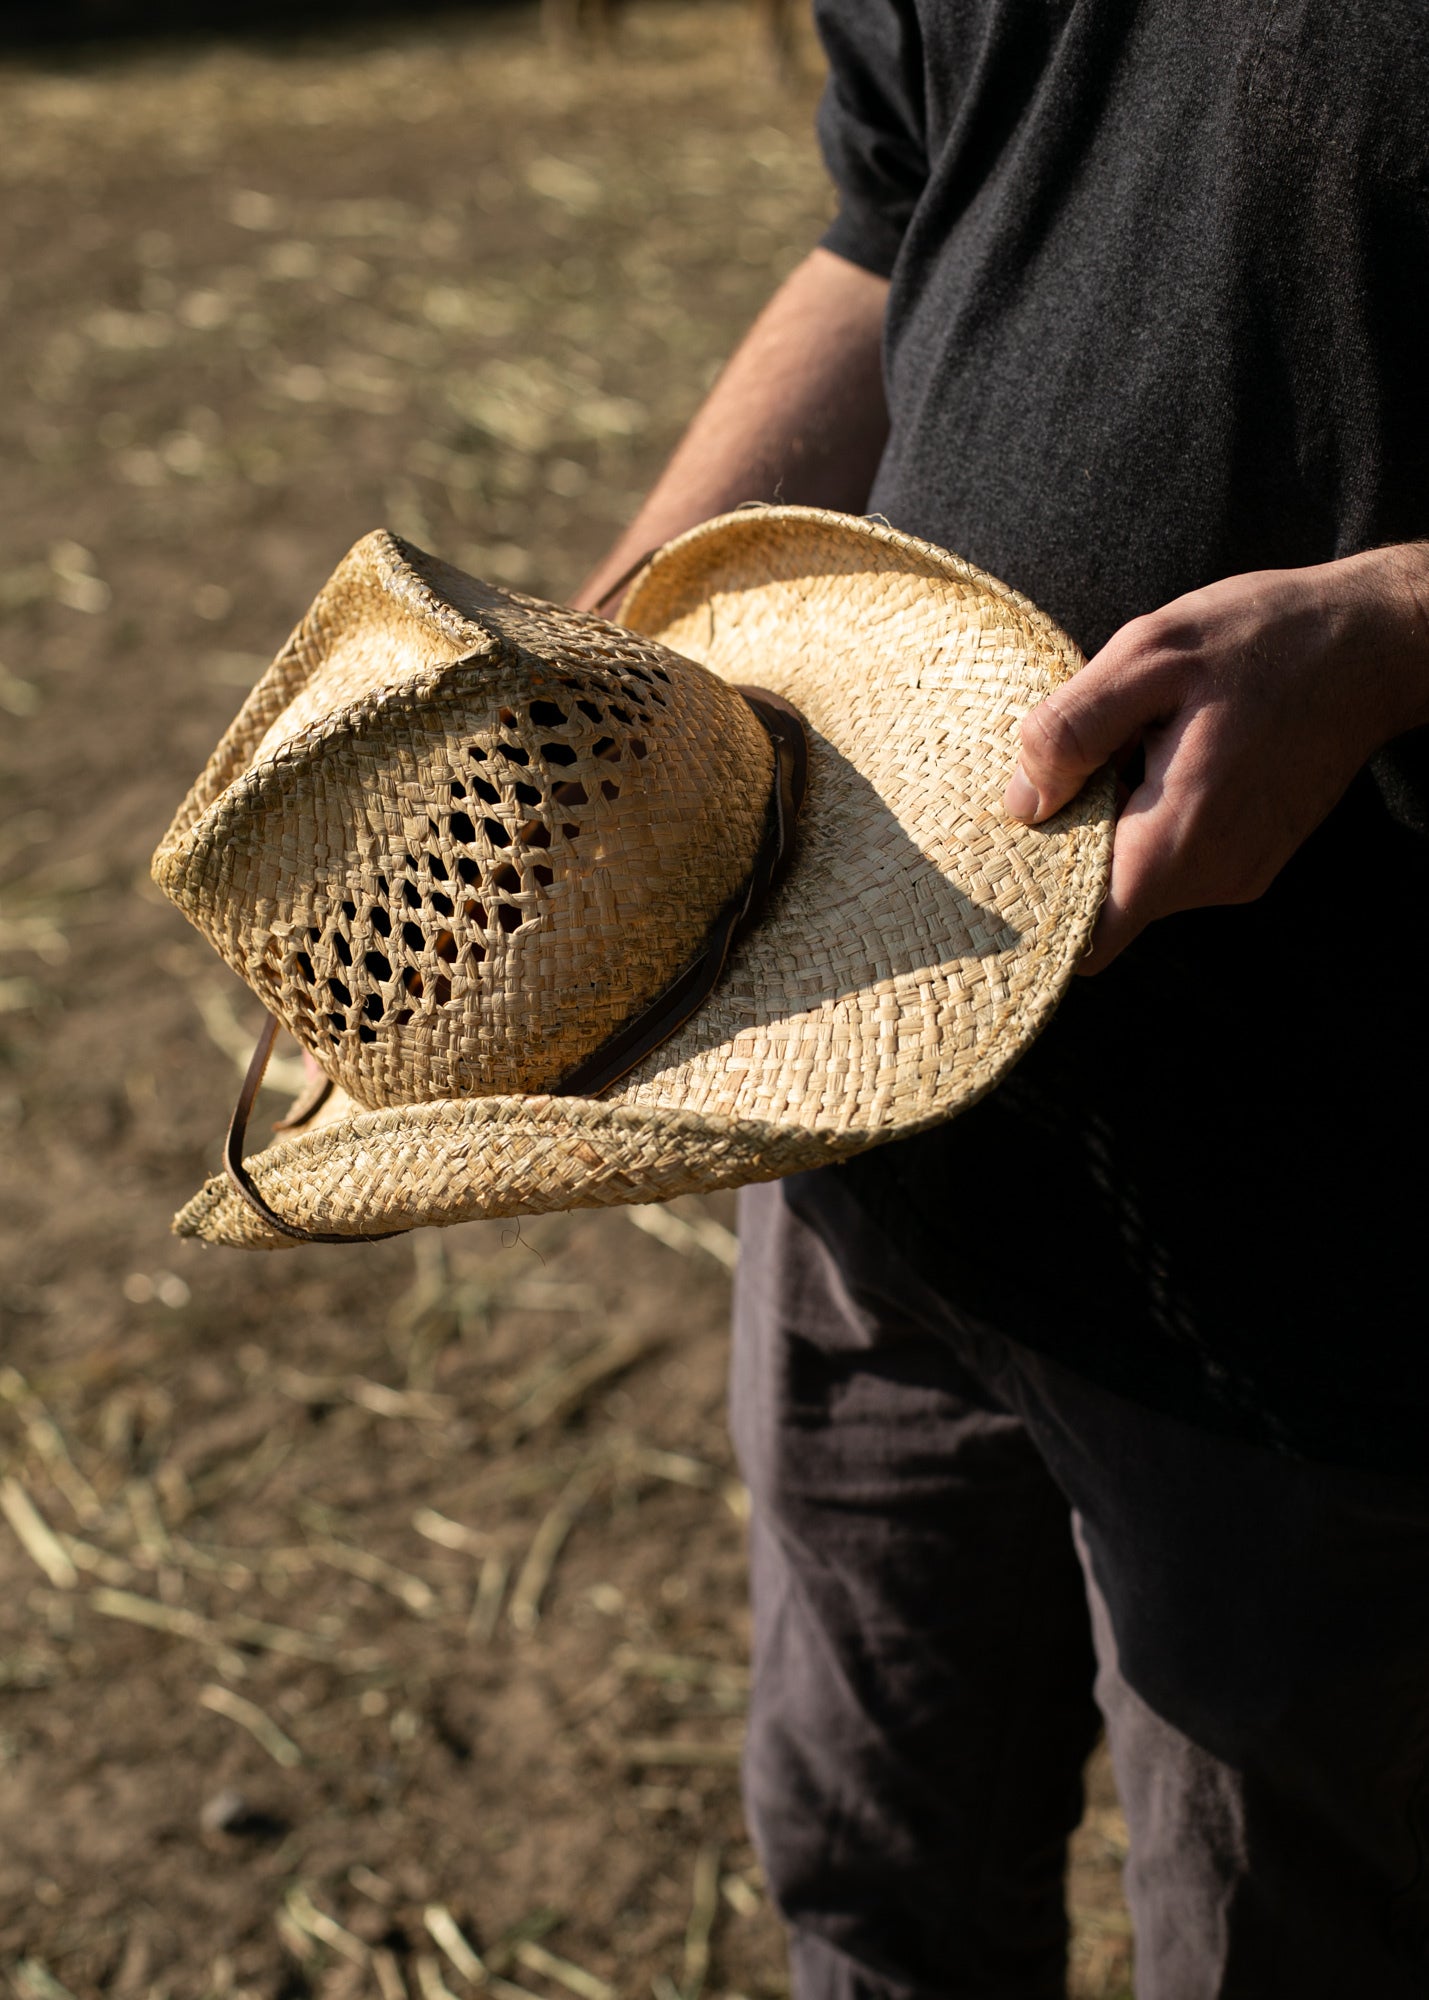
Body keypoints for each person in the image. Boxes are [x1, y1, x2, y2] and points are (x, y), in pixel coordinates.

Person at [576, 5, 1429, 1995]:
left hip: (1332, 1196)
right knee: (872, 1891)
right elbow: (899, 201)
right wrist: (608, 652)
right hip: (874, 1107)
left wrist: (1391, 627)